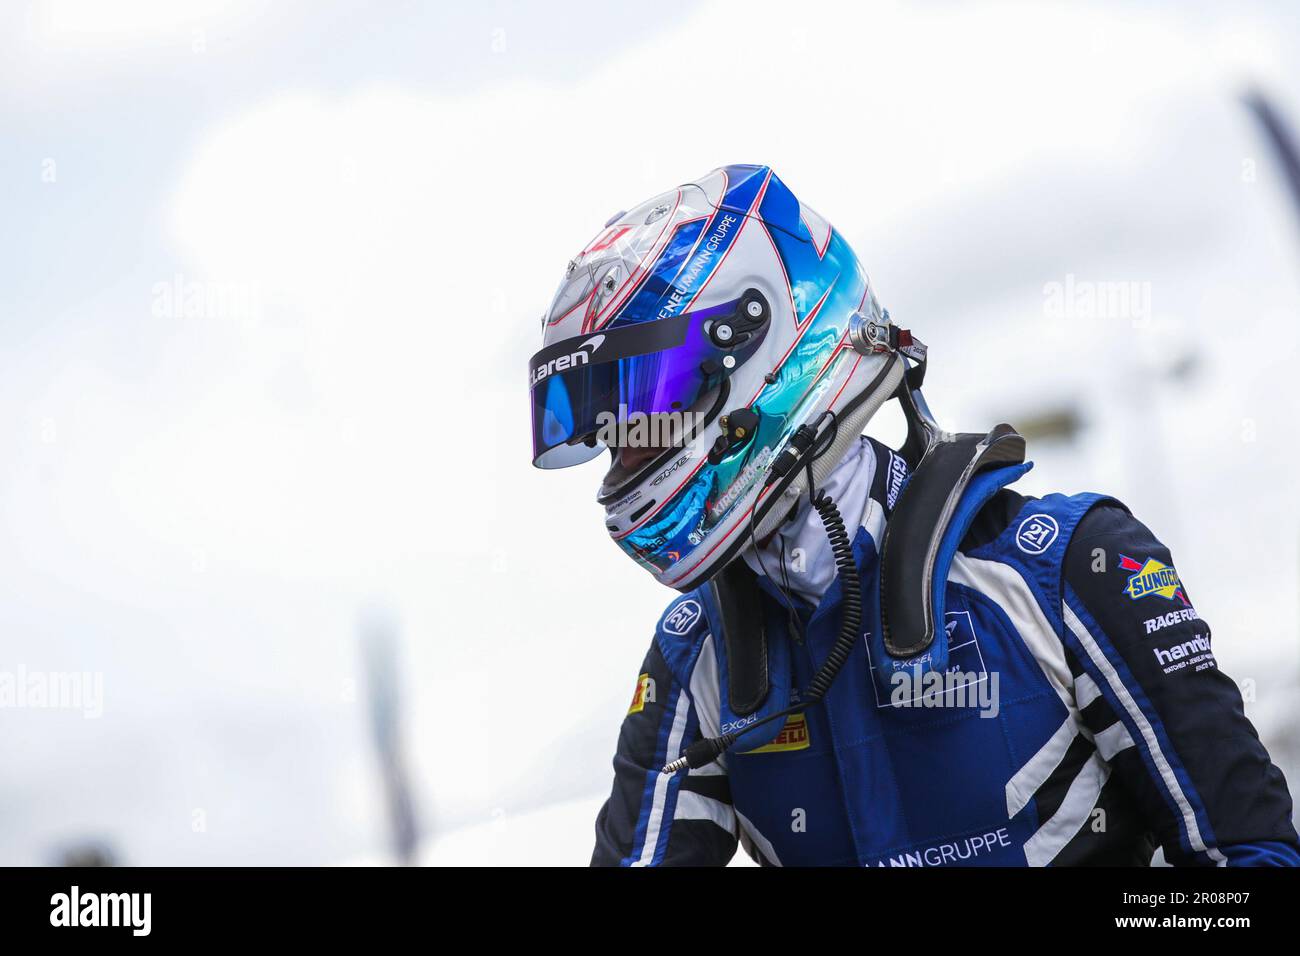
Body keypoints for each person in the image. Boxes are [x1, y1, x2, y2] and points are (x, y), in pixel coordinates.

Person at [527, 165, 1299, 866]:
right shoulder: (697, 657)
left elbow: (1251, 859)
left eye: (641, 410)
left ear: (764, 346)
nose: (627, 449)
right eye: (611, 434)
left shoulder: (1069, 567)